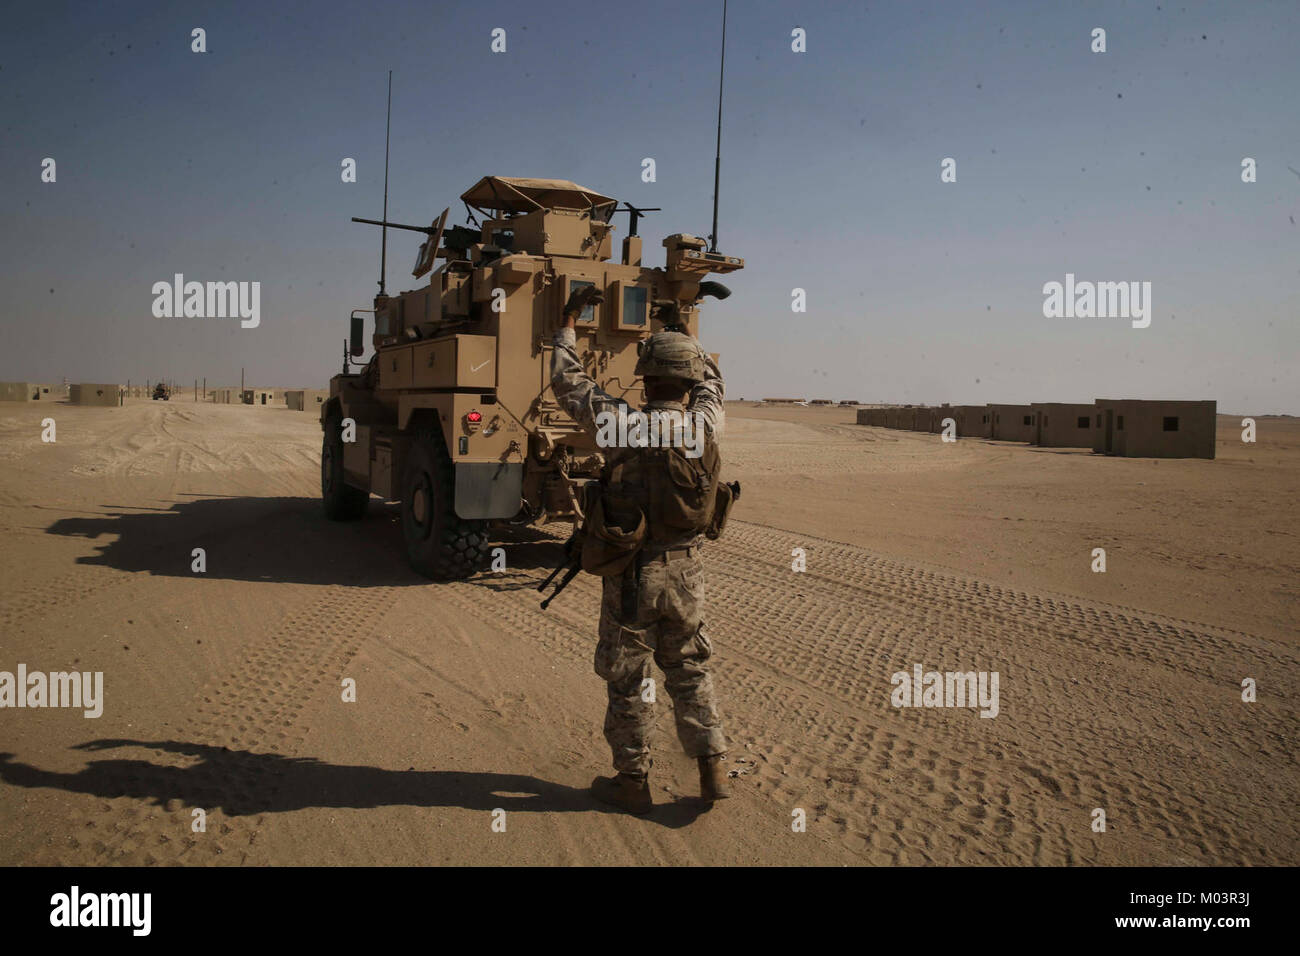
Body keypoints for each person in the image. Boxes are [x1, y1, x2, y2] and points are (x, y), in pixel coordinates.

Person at [550, 285, 730, 814]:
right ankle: (713, 765)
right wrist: (682, 329)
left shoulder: (620, 424)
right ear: (689, 380)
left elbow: (568, 381)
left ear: (645, 379)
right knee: (690, 667)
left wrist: (569, 320)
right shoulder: (704, 424)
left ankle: (632, 782)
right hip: (686, 572)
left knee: (628, 678)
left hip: (632, 575)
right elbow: (713, 381)